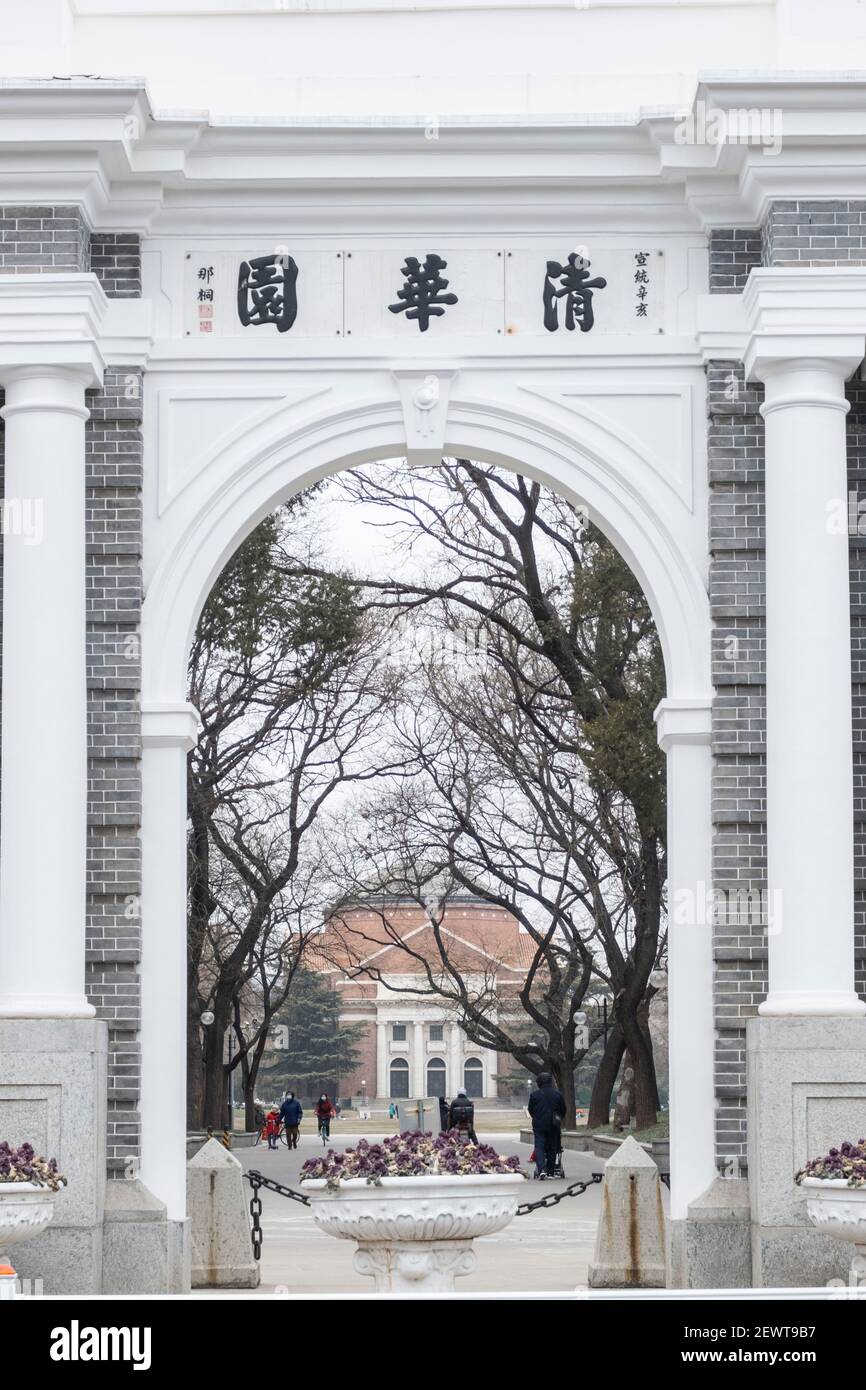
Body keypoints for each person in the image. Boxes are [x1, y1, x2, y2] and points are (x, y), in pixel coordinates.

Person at [528, 1072, 566, 1180]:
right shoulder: (557, 1094)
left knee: (539, 1147)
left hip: (539, 1125)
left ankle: (542, 1170)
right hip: (553, 1125)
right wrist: (559, 1118)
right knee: (552, 1147)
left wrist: (536, 1117)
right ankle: (550, 1171)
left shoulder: (534, 1095)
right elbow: (563, 1109)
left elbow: (530, 1110)